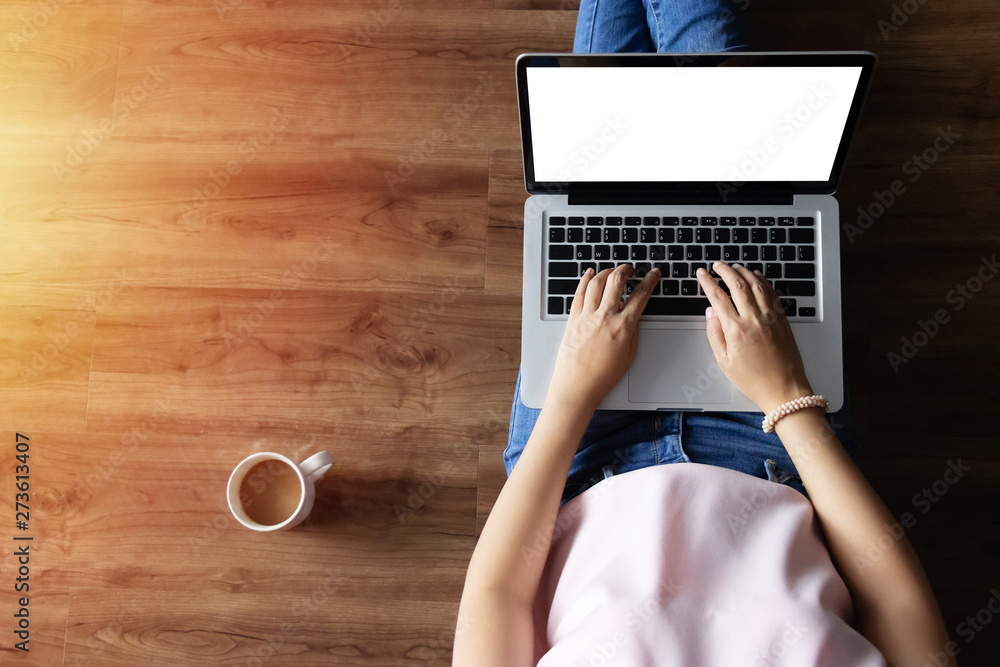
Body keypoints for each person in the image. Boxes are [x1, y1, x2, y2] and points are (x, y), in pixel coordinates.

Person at [454, 5, 954, 664]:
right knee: (744, 174)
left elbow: (499, 594)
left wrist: (572, 393)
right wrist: (788, 397)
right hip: (777, 444)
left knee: (601, 172)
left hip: (575, 456)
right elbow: (897, 605)